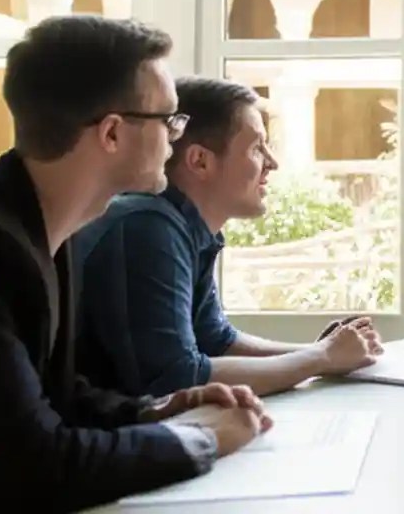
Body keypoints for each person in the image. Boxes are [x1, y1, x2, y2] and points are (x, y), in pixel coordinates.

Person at [0, 16, 273, 511]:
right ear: (112, 133)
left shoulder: (37, 219)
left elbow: (52, 397)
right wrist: (202, 438)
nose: (176, 137)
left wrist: (154, 410)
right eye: (169, 120)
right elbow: (34, 468)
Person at [73, 77, 382, 399]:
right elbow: (177, 378)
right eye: (256, 148)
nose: (272, 163)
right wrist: (320, 358)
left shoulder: (183, 225)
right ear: (200, 161)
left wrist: (321, 352)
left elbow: (216, 341)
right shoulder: (147, 227)